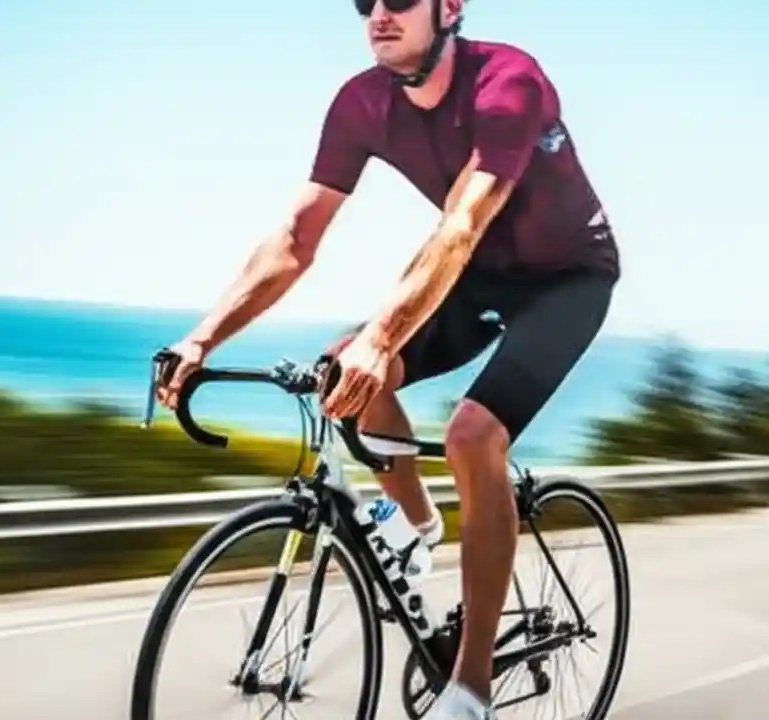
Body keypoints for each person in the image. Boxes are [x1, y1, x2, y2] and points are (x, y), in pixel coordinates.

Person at [154, 0, 619, 716]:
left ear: (450, 7)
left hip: (566, 280)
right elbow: (296, 237)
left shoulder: (509, 81)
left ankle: (470, 689)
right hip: (477, 279)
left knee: (472, 436)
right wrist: (202, 338)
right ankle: (417, 522)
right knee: (347, 365)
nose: (377, 13)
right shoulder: (362, 103)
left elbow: (462, 223)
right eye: (363, 0)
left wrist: (384, 337)